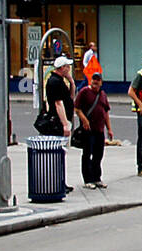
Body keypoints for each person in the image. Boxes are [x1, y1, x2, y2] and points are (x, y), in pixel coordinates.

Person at [75, 72, 112, 189]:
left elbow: (105, 112)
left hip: (99, 129)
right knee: (87, 154)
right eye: (94, 79)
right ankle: (87, 179)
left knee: (98, 155)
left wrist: (109, 129)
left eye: (98, 80)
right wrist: (84, 120)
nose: (95, 82)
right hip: (88, 129)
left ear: (101, 82)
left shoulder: (103, 95)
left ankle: (97, 178)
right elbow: (77, 108)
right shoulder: (84, 92)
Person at [44, 56, 76, 193]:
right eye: (67, 67)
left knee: (62, 153)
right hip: (57, 121)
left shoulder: (61, 81)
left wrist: (71, 81)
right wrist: (64, 124)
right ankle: (57, 182)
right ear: (61, 67)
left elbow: (70, 98)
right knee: (59, 152)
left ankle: (61, 181)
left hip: (62, 119)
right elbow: (58, 104)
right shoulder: (54, 82)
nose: (69, 69)